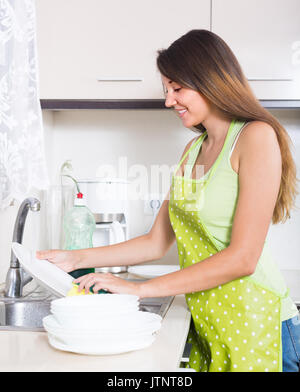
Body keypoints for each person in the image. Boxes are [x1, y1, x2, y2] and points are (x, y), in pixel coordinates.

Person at [37, 30, 300, 372]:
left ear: (211, 80)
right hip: (211, 320)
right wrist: (74, 257)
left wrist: (140, 290)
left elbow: (243, 258)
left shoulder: (255, 138)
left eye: (177, 88)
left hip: (258, 320)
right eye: (166, 90)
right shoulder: (192, 152)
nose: (168, 101)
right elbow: (157, 241)